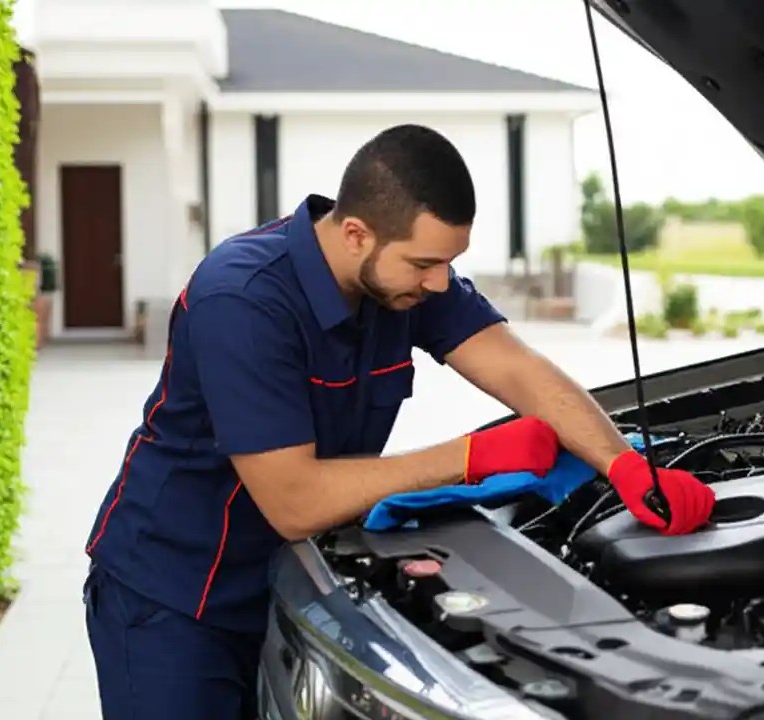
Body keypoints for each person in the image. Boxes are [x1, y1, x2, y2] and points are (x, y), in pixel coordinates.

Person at [80, 124, 715, 719]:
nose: (440, 283)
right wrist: (466, 459)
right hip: (175, 600)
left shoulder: (399, 282)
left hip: (292, 578)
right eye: (424, 264)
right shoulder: (243, 299)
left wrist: (623, 463)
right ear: (356, 233)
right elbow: (294, 501)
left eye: (448, 262)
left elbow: (520, 370)